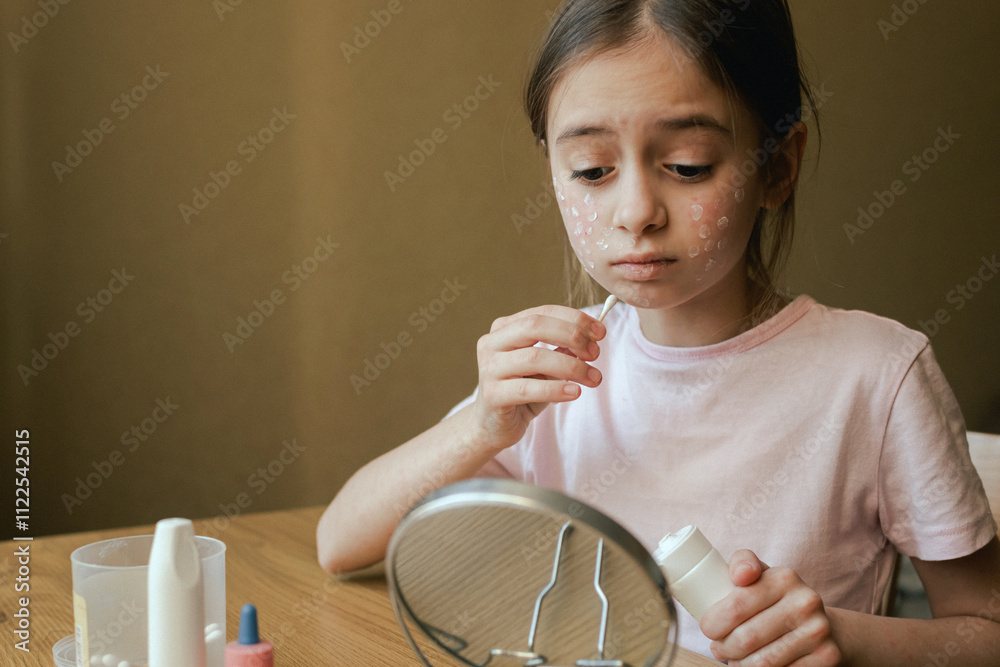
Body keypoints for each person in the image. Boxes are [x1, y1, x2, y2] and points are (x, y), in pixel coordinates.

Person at [318, 1, 1000, 664]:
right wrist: (481, 428)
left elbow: (984, 631)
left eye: (688, 165)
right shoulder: (560, 373)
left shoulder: (876, 376)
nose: (637, 211)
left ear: (777, 166)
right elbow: (340, 543)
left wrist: (843, 638)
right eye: (592, 171)